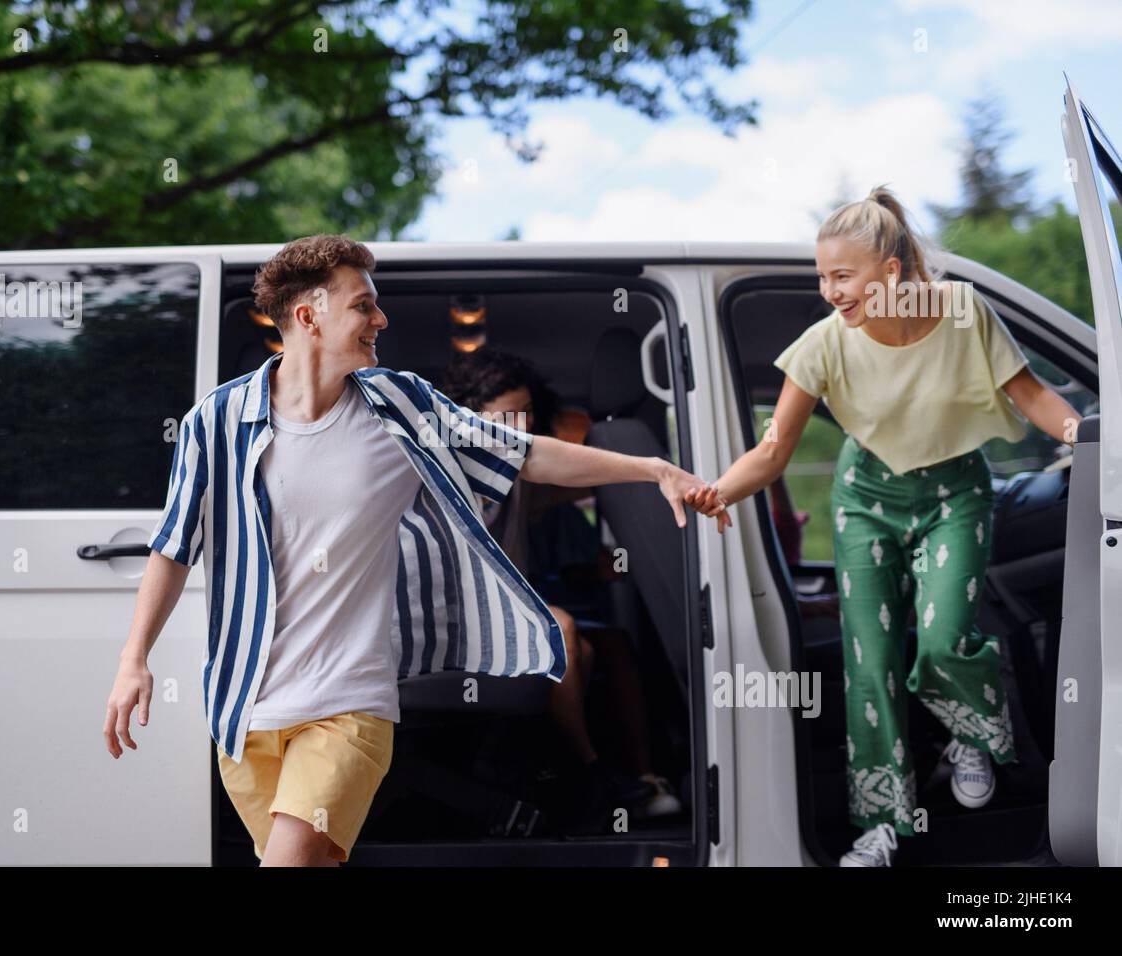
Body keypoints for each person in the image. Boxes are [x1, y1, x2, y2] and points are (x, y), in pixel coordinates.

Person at [103, 234, 716, 866]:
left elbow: (525, 455)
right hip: (244, 706)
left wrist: (649, 469)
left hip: (348, 703)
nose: (380, 319)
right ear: (309, 317)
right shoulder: (216, 420)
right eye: (363, 306)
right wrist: (134, 658)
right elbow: (175, 545)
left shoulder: (400, 408)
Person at [686, 186, 1082, 867]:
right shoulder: (822, 345)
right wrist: (715, 491)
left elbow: (1032, 396)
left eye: (842, 276)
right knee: (869, 664)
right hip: (864, 498)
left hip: (954, 492)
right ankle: (883, 826)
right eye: (823, 277)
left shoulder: (962, 313)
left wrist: (1093, 441)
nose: (829, 291)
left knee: (943, 638)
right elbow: (774, 449)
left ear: (890, 272)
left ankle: (970, 733)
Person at [441, 347, 684, 824]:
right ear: (470, 417)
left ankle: (597, 775)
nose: (522, 425)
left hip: (499, 611)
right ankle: (588, 773)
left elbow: (568, 466)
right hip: (450, 620)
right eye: (508, 414)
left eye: (528, 411)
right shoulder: (447, 467)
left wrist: (658, 470)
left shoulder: (519, 469)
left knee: (595, 649)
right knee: (563, 629)